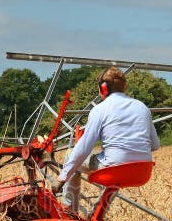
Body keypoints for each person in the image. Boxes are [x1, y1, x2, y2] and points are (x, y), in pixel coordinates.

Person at [51, 67, 160, 211]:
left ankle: (70, 211)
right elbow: (155, 145)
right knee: (118, 166)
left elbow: (84, 148)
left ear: (103, 89)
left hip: (114, 169)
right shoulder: (142, 107)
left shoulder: (99, 110)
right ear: (124, 87)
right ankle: (97, 215)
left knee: (72, 154)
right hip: (143, 171)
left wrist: (62, 178)